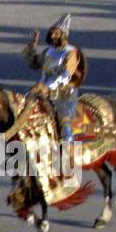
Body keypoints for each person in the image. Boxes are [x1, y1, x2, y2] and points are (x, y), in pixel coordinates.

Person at [23, 14, 84, 143]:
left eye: (56, 33)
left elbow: (65, 74)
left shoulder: (70, 52)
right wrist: (32, 45)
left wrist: (47, 87)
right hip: (42, 91)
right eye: (52, 33)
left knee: (65, 126)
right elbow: (34, 63)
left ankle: (69, 155)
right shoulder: (48, 51)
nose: (52, 36)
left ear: (63, 35)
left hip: (63, 94)